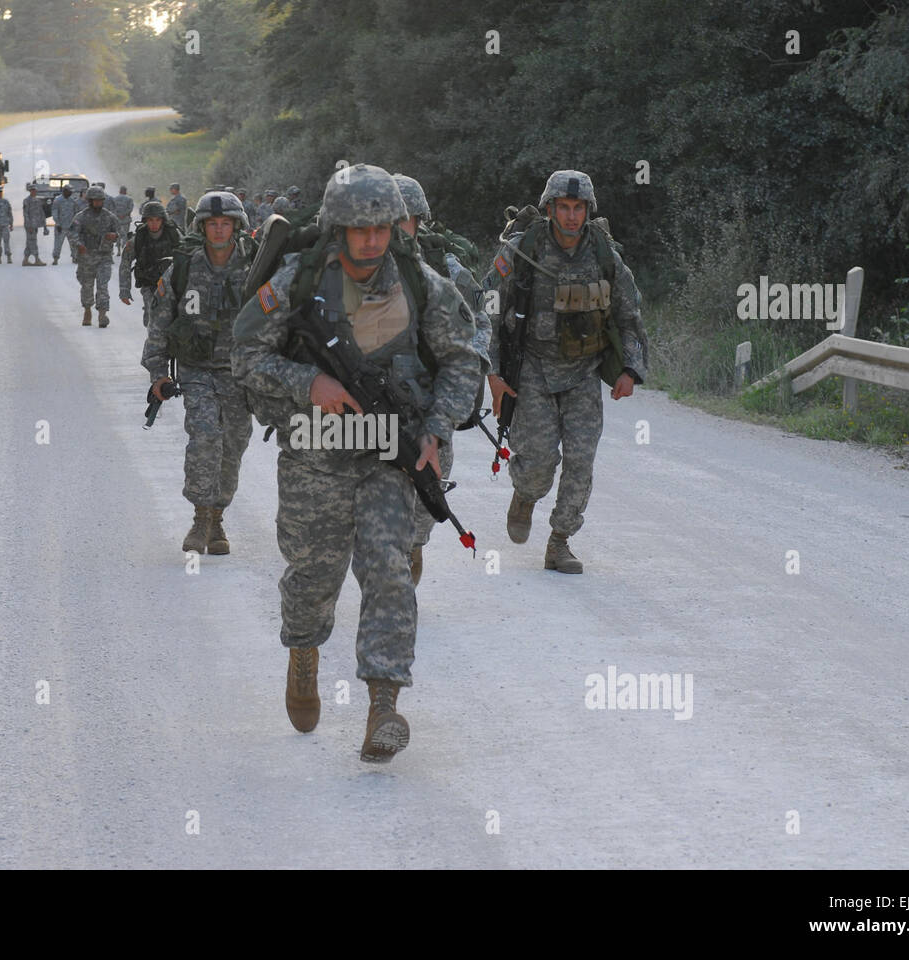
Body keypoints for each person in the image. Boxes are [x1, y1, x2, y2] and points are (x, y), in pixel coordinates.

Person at [231, 164, 479, 763]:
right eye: (358, 229)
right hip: (315, 455)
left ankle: (384, 705)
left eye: (381, 228)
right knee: (314, 577)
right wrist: (307, 380)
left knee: (390, 571)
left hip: (388, 460)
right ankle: (304, 652)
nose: (370, 240)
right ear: (337, 228)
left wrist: (437, 431)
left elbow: (462, 363)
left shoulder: (423, 285)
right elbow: (242, 355)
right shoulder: (296, 283)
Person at [483, 170, 649, 573]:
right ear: (550, 209)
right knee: (539, 463)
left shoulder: (606, 256)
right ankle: (525, 494)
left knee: (580, 458)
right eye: (564, 207)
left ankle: (560, 542)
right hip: (533, 370)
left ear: (588, 211)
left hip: (583, 372)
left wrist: (630, 368)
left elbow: (630, 315)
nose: (572, 216)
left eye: (578, 208)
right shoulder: (523, 251)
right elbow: (486, 305)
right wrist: (493, 372)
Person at [390, 172, 491, 584]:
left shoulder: (444, 268)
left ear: (420, 221)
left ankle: (413, 547)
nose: (397, 229)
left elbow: (479, 320)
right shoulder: (354, 267)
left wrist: (470, 365)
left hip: (431, 400)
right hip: (374, 398)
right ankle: (389, 562)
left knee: (429, 481)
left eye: (406, 220)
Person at [143, 192, 256, 555]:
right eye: (213, 224)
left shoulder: (256, 268)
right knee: (205, 436)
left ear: (236, 227)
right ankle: (200, 517)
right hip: (197, 371)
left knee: (234, 444)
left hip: (240, 373)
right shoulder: (184, 267)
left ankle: (219, 516)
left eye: (226, 224)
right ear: (203, 227)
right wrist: (157, 373)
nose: (219, 230)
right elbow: (160, 322)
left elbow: (279, 321)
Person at [120, 199, 181, 328]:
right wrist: (125, 290)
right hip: (149, 283)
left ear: (163, 220)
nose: (154, 224)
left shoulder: (174, 235)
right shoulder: (138, 239)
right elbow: (125, 263)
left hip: (171, 283)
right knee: (152, 316)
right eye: (150, 220)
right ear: (145, 220)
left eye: (157, 220)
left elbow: (187, 256)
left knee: (171, 317)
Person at [69, 185, 120, 327]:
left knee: (103, 286)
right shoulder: (81, 217)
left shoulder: (109, 217)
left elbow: (119, 232)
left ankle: (102, 314)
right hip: (87, 257)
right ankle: (87, 310)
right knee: (87, 285)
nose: (98, 203)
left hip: (104, 257)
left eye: (100, 200)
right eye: (95, 200)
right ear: (90, 201)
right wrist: (78, 245)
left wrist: (114, 236)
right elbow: (73, 233)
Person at [21, 184, 47, 266]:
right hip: (30, 226)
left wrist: (44, 226)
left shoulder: (38, 201)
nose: (34, 191)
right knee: (33, 242)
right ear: (30, 191)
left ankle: (25, 260)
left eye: (35, 190)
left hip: (36, 225)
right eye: (32, 190)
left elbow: (42, 213)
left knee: (29, 242)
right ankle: (37, 259)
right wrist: (29, 226)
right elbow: (25, 214)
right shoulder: (26, 201)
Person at [51, 185, 77, 265]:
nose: (71, 193)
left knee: (74, 243)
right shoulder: (58, 200)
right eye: (69, 191)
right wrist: (58, 224)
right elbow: (55, 212)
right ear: (65, 191)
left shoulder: (72, 200)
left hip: (70, 226)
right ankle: (55, 258)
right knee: (58, 243)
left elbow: (75, 212)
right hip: (61, 226)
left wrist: (74, 222)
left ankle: (75, 257)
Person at [110, 186, 135, 254]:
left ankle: (118, 250)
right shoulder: (129, 199)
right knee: (125, 235)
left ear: (120, 191)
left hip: (117, 220)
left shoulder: (115, 199)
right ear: (125, 191)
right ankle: (124, 248)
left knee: (117, 235)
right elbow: (130, 208)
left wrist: (118, 215)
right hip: (126, 220)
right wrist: (124, 215)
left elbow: (112, 209)